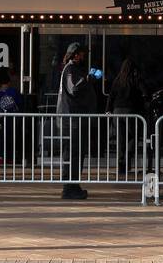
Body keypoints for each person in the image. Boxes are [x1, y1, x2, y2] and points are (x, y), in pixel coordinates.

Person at [56, 41, 100, 200]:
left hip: (76, 120)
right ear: (75, 54)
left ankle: (74, 185)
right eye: (82, 53)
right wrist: (88, 79)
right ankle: (69, 188)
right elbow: (74, 88)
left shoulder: (73, 70)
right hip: (71, 121)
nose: (84, 56)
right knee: (73, 154)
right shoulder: (70, 70)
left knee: (77, 153)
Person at [108, 57, 147, 176]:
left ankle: (121, 165)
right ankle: (127, 161)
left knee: (120, 138)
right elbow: (145, 92)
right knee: (132, 137)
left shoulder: (118, 79)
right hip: (131, 111)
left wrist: (108, 110)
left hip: (117, 111)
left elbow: (111, 95)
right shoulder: (135, 79)